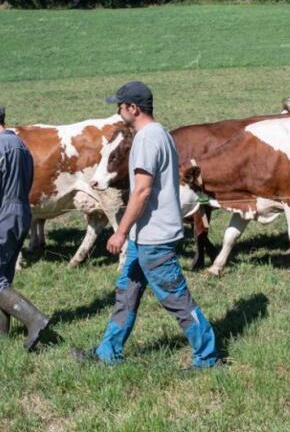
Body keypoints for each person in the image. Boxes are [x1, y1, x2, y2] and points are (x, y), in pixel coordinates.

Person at [72, 81, 220, 369]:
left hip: (155, 238)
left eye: (120, 105)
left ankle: (208, 357)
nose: (118, 110)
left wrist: (121, 231)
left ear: (134, 108)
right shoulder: (160, 133)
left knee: (176, 299)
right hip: (145, 236)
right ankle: (108, 353)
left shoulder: (146, 139)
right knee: (126, 293)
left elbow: (141, 190)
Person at [0, 102, 53, 351]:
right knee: (2, 275)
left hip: (0, 217)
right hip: (21, 214)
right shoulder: (21, 145)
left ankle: (35, 320)